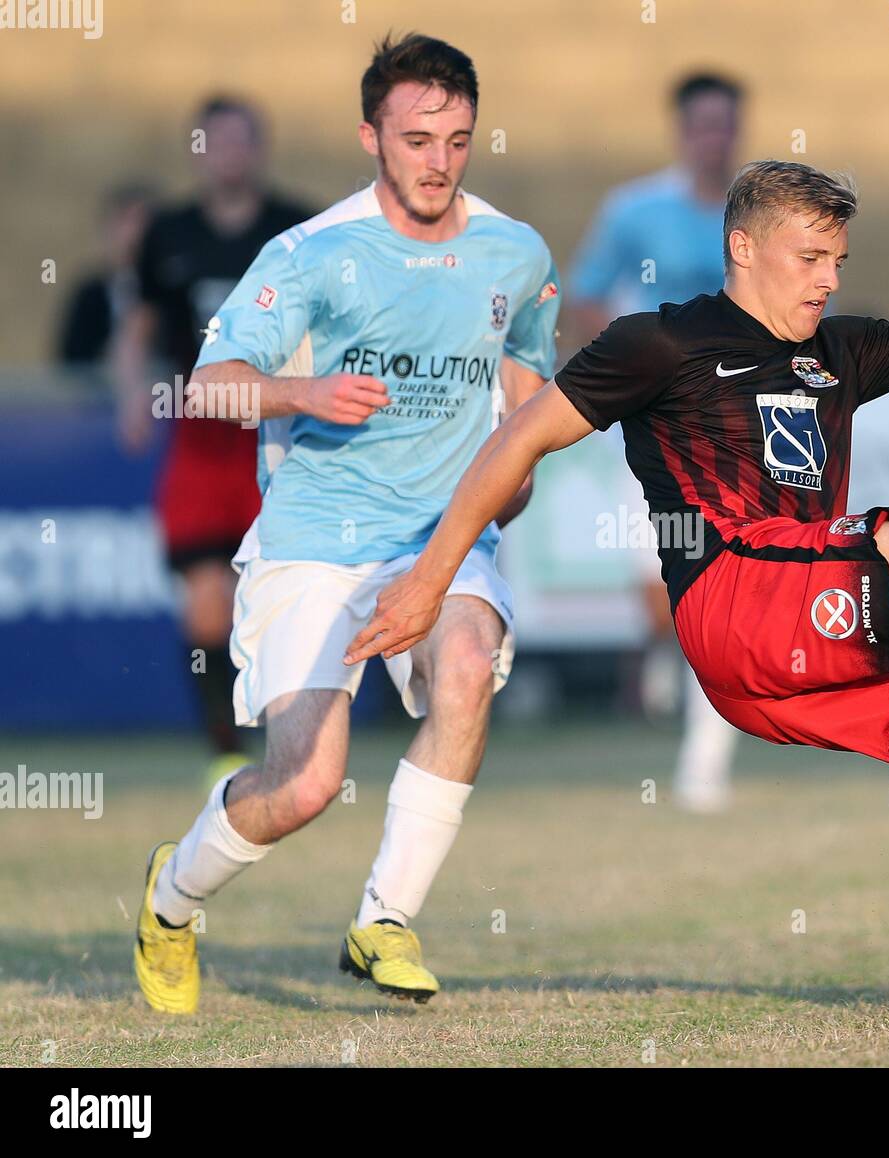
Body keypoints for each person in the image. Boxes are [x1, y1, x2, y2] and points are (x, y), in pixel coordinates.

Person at [344, 145, 889, 1021]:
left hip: (795, 643)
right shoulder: (662, 342)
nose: (827, 279)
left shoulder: (836, 352)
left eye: (838, 261)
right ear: (742, 246)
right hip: (737, 595)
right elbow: (520, 437)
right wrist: (431, 579)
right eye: (810, 256)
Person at [132, 33, 561, 1015]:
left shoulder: (514, 251)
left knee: (464, 669)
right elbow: (206, 388)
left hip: (444, 536)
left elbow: (529, 380)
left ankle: (385, 918)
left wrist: (514, 476)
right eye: (416, 138)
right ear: (370, 135)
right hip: (318, 541)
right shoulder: (312, 254)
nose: (438, 161)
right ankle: (171, 898)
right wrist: (304, 392)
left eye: (456, 139)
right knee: (303, 785)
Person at [113, 97, 313, 779]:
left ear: (260, 148)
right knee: (207, 602)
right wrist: (133, 394)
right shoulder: (168, 232)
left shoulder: (297, 229)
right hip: (201, 438)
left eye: (241, 141)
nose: (229, 153)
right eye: (216, 141)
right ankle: (226, 756)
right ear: (199, 150)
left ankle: (294, 746)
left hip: (277, 430)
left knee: (288, 600)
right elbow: (137, 328)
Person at [566, 72, 745, 812]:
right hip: (648, 422)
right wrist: (619, 376)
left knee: (725, 578)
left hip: (734, 427)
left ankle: (704, 763)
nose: (715, 137)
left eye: (726, 124)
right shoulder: (635, 211)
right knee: (663, 581)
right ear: (682, 130)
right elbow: (583, 294)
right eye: (702, 124)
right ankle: (671, 655)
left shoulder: (755, 213)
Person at [56, 183, 155, 375]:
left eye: (144, 222)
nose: (135, 232)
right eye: (125, 221)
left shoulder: (174, 290)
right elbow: (70, 360)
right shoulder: (89, 294)